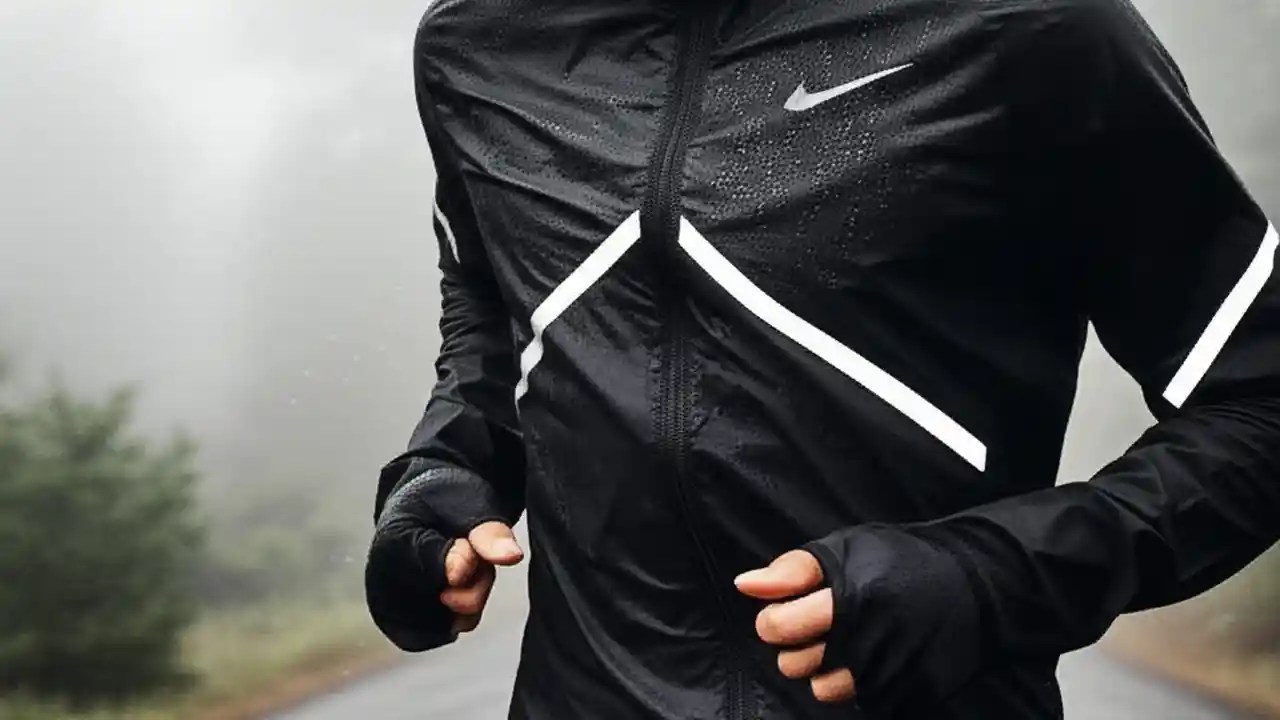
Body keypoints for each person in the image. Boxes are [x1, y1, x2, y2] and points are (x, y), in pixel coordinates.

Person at [364, 0, 1280, 717]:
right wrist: (449, 464)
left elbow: (1259, 405)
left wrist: (991, 578)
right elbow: (496, 307)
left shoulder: (1035, 29)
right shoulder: (474, 44)